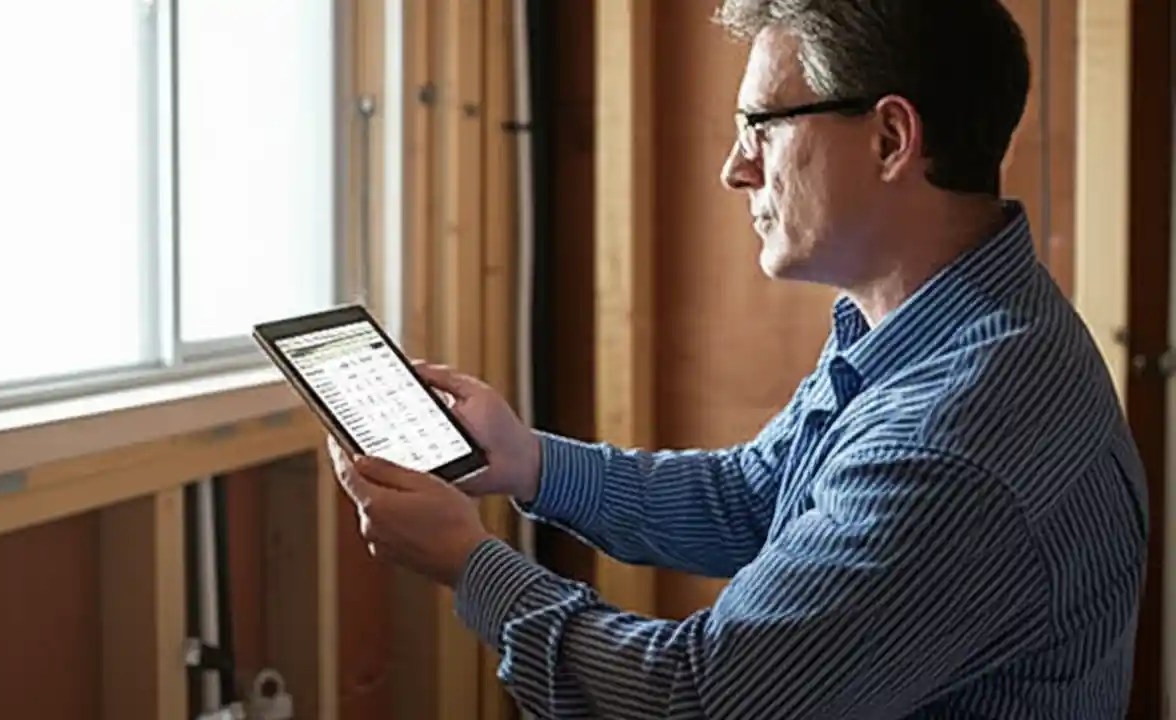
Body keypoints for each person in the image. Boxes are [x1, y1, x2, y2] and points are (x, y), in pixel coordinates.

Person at [328, 1, 1149, 717]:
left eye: (762, 125)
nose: (735, 167)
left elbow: (698, 700)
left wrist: (469, 564)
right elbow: (758, 495)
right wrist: (531, 463)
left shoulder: (956, 440)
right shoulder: (936, 328)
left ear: (892, 138)